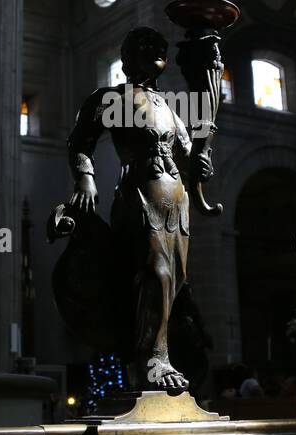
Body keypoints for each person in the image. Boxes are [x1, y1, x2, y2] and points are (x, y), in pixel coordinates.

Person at [65, 27, 211, 391]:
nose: (154, 50)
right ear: (127, 56)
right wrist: (85, 177)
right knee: (155, 271)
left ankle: (160, 352)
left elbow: (188, 153)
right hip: (139, 192)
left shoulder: (170, 107)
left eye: (159, 46)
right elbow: (80, 141)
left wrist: (200, 162)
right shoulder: (114, 98)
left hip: (176, 198)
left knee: (176, 283)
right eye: (144, 46)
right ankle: (153, 360)